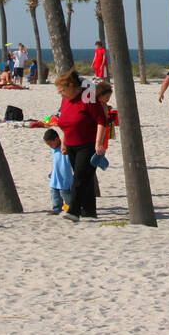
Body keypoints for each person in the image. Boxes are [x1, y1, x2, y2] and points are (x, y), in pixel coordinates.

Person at [54, 69, 109, 221]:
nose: (61, 94)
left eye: (62, 91)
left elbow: (101, 121)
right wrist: (64, 143)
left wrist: (99, 144)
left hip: (87, 145)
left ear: (71, 86)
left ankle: (74, 211)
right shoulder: (66, 100)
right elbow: (67, 123)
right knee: (86, 178)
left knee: (79, 178)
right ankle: (89, 210)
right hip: (71, 144)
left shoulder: (88, 98)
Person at [43, 129, 73, 215]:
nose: (50, 146)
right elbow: (56, 161)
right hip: (55, 174)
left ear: (56, 139)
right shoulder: (54, 149)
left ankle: (73, 207)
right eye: (48, 145)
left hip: (65, 175)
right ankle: (56, 208)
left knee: (65, 193)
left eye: (50, 144)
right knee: (54, 192)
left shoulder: (64, 147)